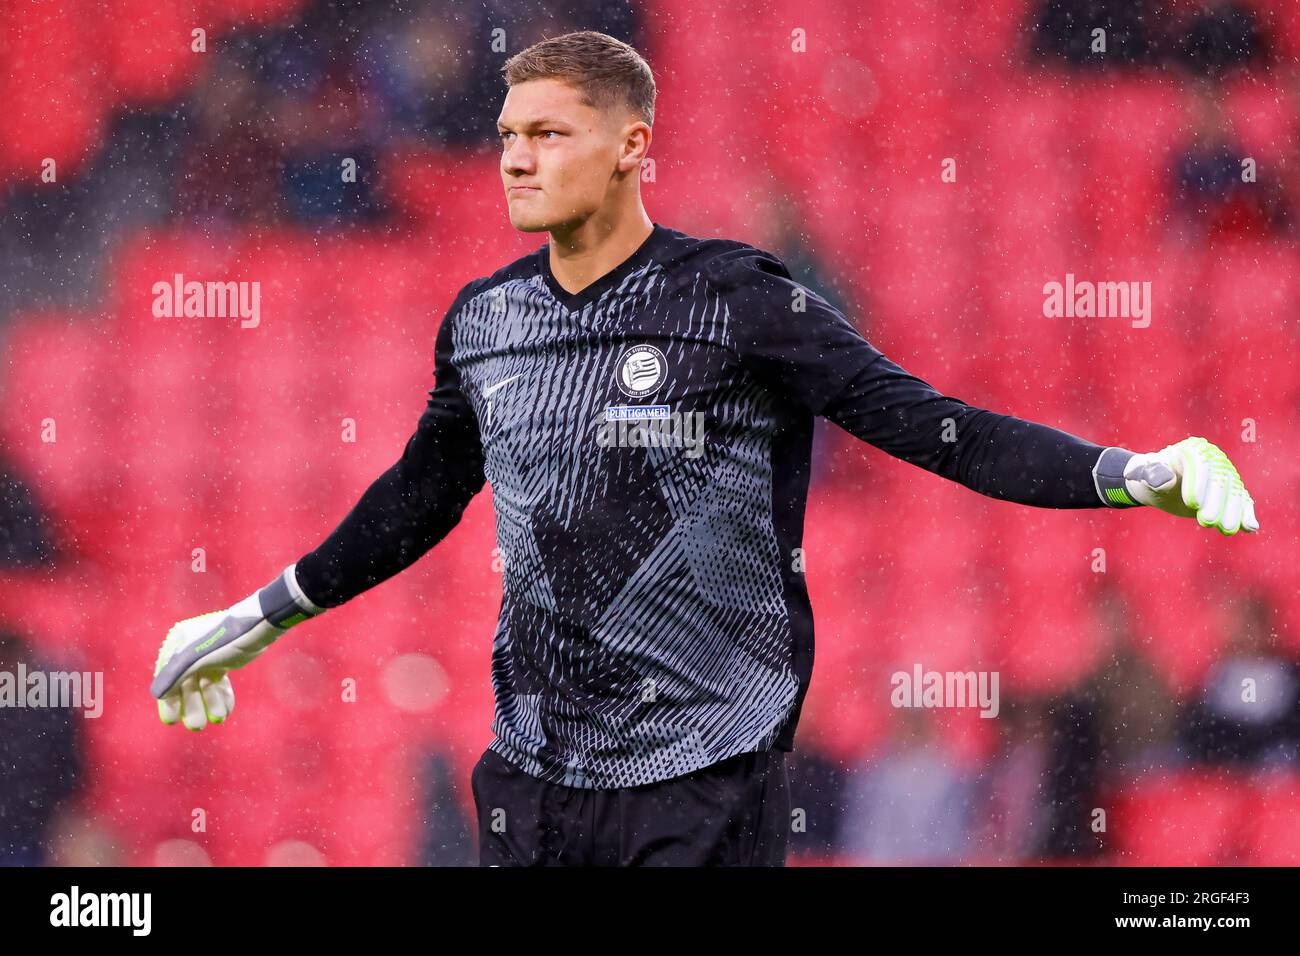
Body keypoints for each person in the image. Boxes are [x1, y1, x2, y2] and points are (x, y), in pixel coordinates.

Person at [149, 30, 1260, 867]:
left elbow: (935, 428)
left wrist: (1127, 471)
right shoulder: (484, 319)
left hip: (703, 780)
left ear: (632, 145)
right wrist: (254, 615)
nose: (517, 160)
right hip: (534, 778)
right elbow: (414, 499)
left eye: (550, 133)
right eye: (505, 138)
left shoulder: (737, 298)